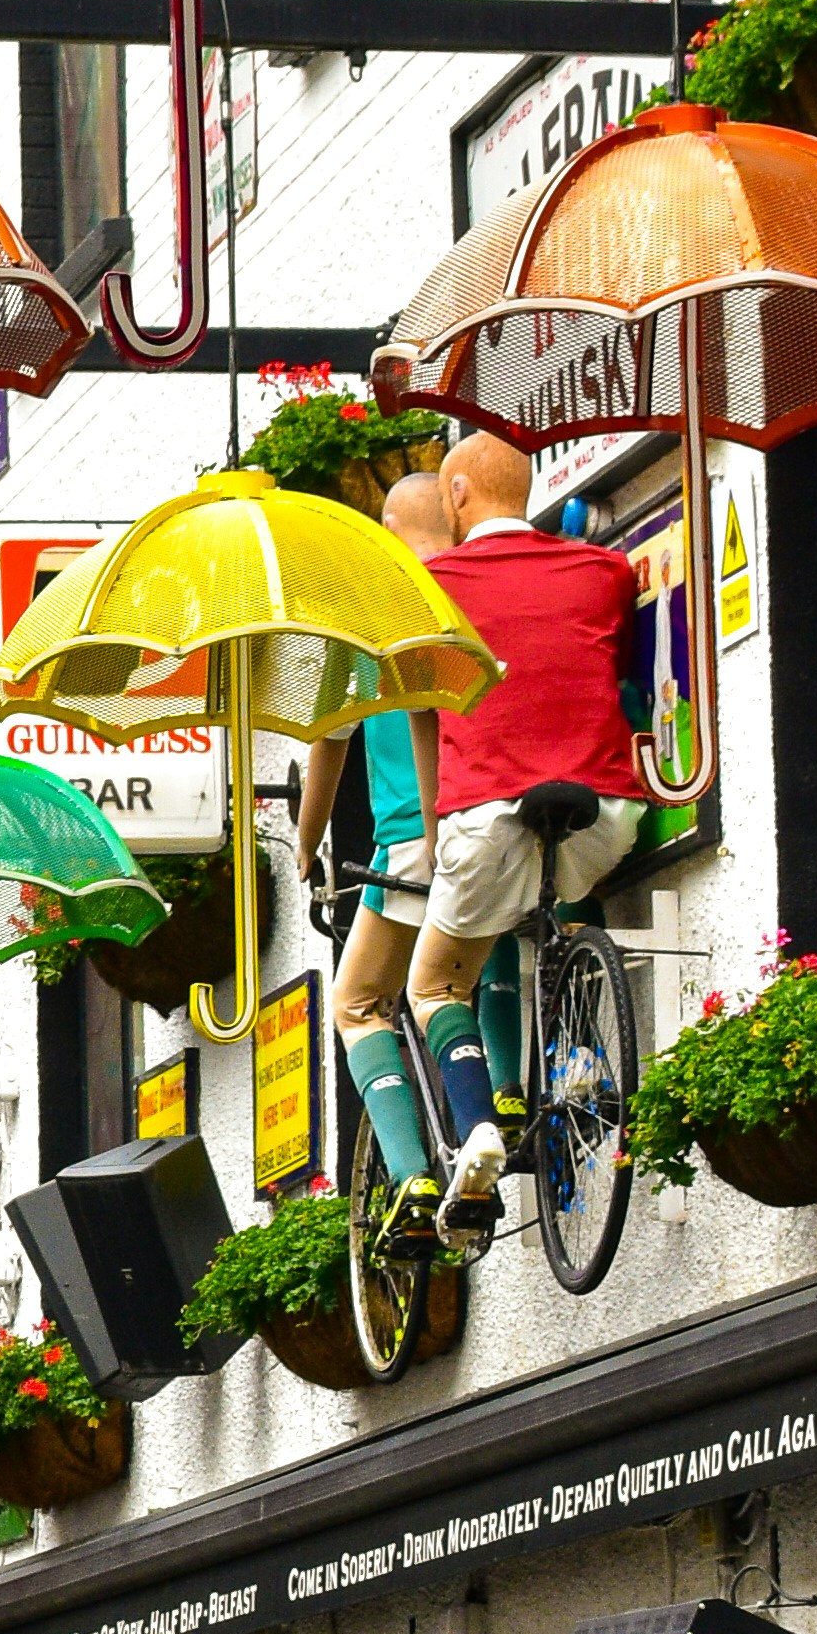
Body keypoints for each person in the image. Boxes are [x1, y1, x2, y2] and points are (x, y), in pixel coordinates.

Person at [404, 426, 652, 1231]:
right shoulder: (604, 570)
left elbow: (425, 715)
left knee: (436, 982)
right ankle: (577, 1056)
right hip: (606, 809)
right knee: (559, 898)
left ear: (459, 495)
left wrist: (439, 821)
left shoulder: (433, 586)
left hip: (486, 811)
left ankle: (477, 1124)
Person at [297, 468, 455, 1204]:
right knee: (475, 968)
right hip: (510, 822)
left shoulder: (376, 622)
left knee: (358, 1003)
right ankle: (506, 1102)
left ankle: (412, 1174)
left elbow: (329, 744)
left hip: (411, 844)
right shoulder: (474, 593)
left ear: (391, 537)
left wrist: (307, 843)